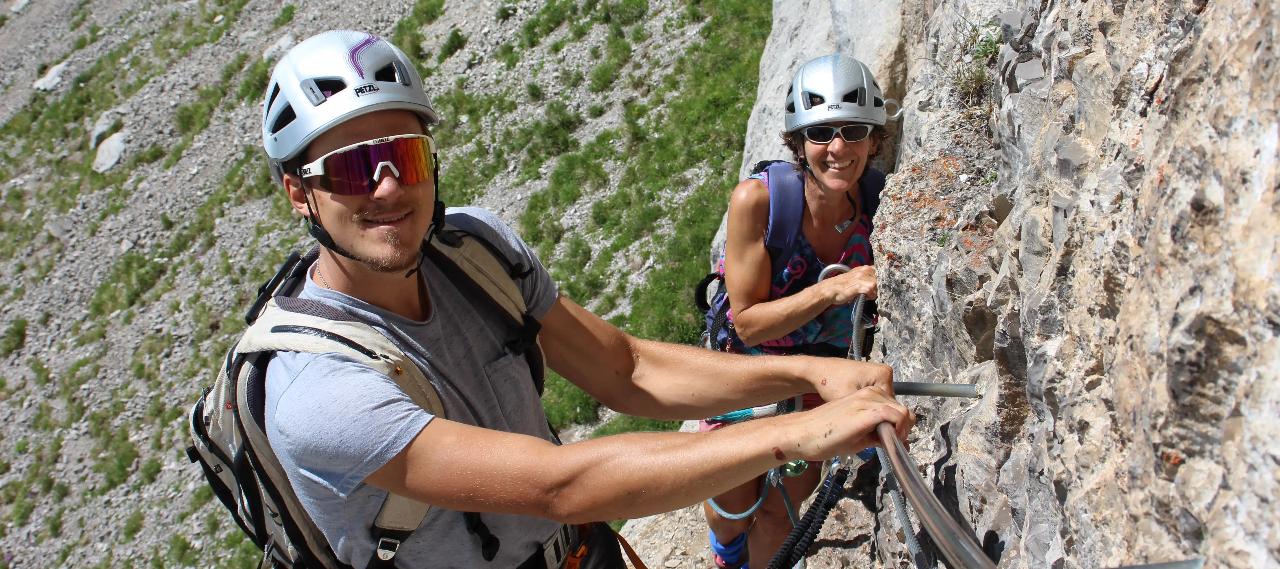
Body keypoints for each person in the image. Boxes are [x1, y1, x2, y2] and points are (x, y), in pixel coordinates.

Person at [259, 31, 913, 569]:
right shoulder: (316, 391)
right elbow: (556, 484)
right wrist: (796, 427)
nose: (386, 188)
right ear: (298, 191)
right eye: (350, 167)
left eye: (405, 154)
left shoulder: (473, 253)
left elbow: (626, 369)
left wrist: (813, 372)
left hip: (579, 553)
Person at [701, 54, 896, 568]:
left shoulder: (880, 203)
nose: (837, 148)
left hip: (821, 380)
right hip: (750, 368)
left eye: (853, 131)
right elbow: (747, 322)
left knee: (781, 514)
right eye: (821, 133)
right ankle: (727, 552)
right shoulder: (760, 202)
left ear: (874, 139)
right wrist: (833, 291)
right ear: (799, 142)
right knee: (733, 506)